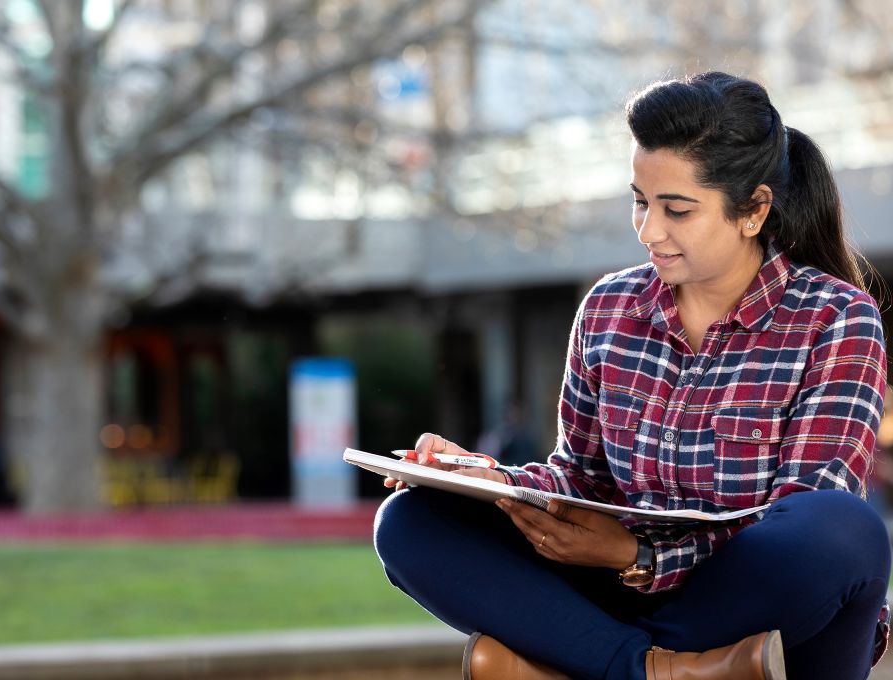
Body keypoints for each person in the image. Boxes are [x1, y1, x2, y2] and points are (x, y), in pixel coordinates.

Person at [373, 72, 890, 680]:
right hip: (618, 593)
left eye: (677, 209)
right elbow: (578, 476)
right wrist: (487, 482)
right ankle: (648, 671)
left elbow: (805, 506)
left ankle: (592, 661)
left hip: (757, 605)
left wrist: (640, 554)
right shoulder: (608, 308)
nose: (649, 231)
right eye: (641, 201)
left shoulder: (836, 317)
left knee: (842, 531)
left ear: (752, 210)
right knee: (410, 520)